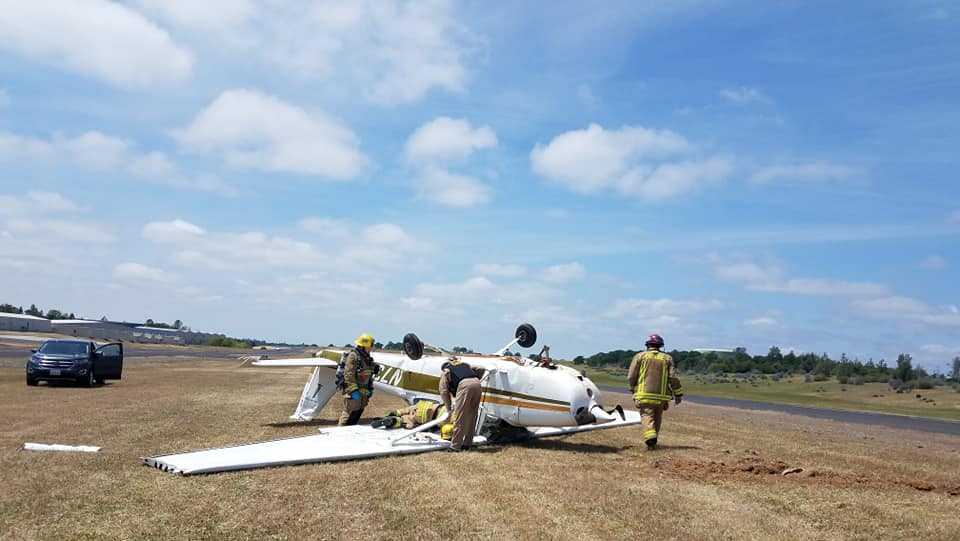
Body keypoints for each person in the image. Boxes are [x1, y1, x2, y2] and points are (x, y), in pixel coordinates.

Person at [627, 334, 683, 450]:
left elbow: (631, 376)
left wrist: (632, 388)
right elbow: (673, 378)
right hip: (661, 397)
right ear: (660, 346)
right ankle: (653, 442)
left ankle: (650, 439)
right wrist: (678, 393)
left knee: (647, 416)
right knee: (657, 418)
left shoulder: (640, 356)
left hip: (644, 395)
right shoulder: (667, 358)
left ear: (647, 345)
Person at [439, 357, 485, 451]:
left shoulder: (446, 372)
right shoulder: (465, 365)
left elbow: (443, 391)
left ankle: (455, 447)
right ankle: (467, 444)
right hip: (477, 384)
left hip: (464, 385)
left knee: (460, 416)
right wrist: (475, 379)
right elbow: (482, 369)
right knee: (472, 415)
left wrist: (448, 409)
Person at [338, 333, 377, 426]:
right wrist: (353, 390)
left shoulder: (366, 357)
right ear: (365, 345)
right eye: (371, 345)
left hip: (363, 390)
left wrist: (374, 369)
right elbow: (348, 374)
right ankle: (339, 434)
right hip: (354, 391)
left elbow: (366, 372)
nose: (372, 347)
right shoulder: (353, 356)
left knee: (357, 412)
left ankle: (350, 432)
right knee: (349, 413)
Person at [371, 401, 448, 430]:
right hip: (429, 417)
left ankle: (395, 413)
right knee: (409, 421)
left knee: (411, 409)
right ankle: (395, 421)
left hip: (429, 406)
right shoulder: (453, 419)